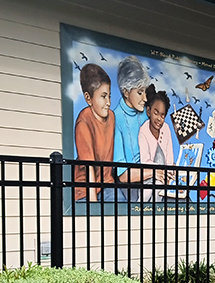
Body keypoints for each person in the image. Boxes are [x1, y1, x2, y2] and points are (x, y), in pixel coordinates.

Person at [74, 63, 121, 202]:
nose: (108, 102)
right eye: (103, 96)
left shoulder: (111, 117)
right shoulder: (83, 123)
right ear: (88, 98)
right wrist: (93, 205)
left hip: (107, 184)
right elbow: (89, 169)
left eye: (109, 96)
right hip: (85, 190)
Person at [113, 55, 149, 200]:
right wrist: (156, 171)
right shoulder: (116, 119)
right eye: (140, 93)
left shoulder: (145, 114)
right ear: (126, 92)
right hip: (131, 188)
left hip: (152, 178)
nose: (145, 98)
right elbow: (123, 176)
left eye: (145, 92)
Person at [138, 84, 177, 199]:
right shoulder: (143, 132)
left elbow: (169, 154)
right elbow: (145, 161)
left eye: (162, 115)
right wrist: (161, 171)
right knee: (147, 192)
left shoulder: (166, 128)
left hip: (164, 175)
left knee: (161, 189)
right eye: (156, 113)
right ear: (148, 111)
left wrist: (169, 172)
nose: (159, 119)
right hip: (150, 173)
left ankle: (157, 213)